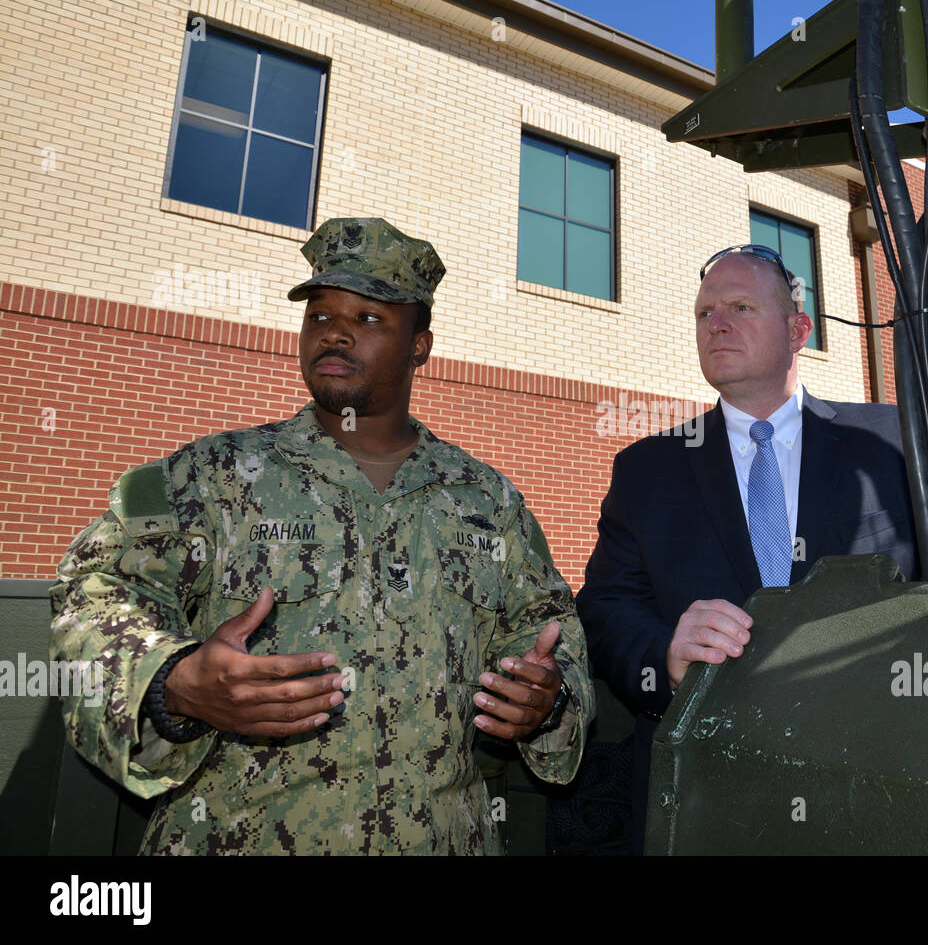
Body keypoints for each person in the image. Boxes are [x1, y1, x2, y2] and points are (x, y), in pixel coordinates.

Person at [49, 217, 592, 854]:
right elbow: (92, 592)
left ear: (421, 346)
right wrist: (174, 682)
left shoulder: (488, 500)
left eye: (368, 318)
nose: (333, 331)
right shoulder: (209, 476)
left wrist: (545, 704)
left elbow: (552, 636)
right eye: (320, 315)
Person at [576, 245, 918, 853]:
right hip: (709, 797)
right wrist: (665, 654)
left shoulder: (891, 441)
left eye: (740, 306)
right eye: (705, 312)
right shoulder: (646, 470)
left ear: (799, 329)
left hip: (878, 781)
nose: (718, 324)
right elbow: (604, 608)